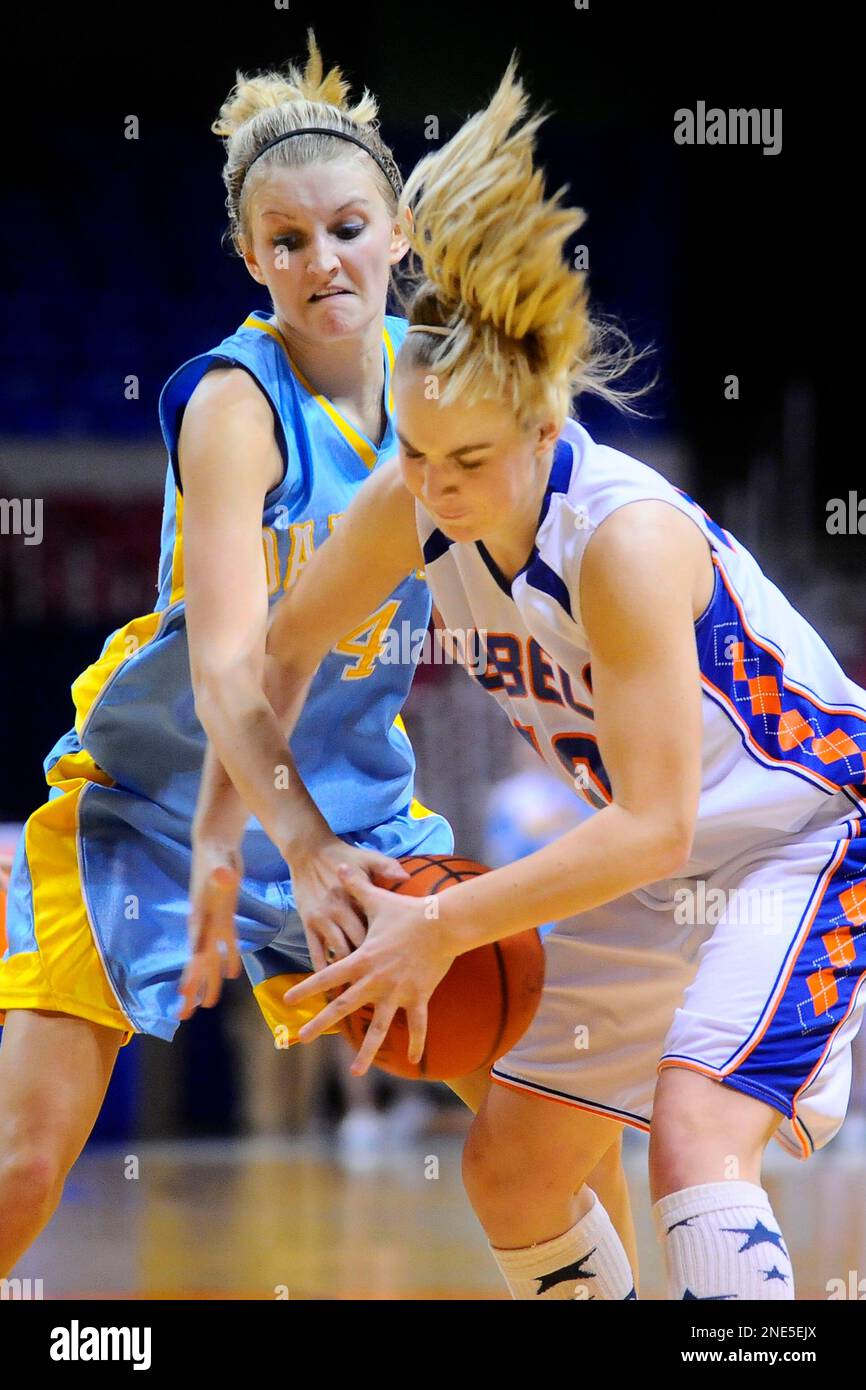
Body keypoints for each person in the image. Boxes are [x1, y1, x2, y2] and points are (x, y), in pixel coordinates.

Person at [209, 61, 866, 1301]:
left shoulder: (619, 541)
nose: (436, 484)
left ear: (539, 429)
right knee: (511, 1169)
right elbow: (264, 662)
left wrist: (446, 921)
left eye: (467, 458)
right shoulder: (412, 504)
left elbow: (655, 817)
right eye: (412, 451)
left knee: (690, 1140)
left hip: (810, 833)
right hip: (659, 867)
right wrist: (292, 844)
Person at [0, 37, 636, 1283]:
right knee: (26, 1157)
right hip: (147, 804)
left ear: (398, 231)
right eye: (285, 242)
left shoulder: (438, 388)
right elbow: (230, 674)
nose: (320, 261)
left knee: (548, 1106)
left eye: (347, 228)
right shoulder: (235, 403)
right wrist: (284, 842)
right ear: (250, 258)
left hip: (355, 814)